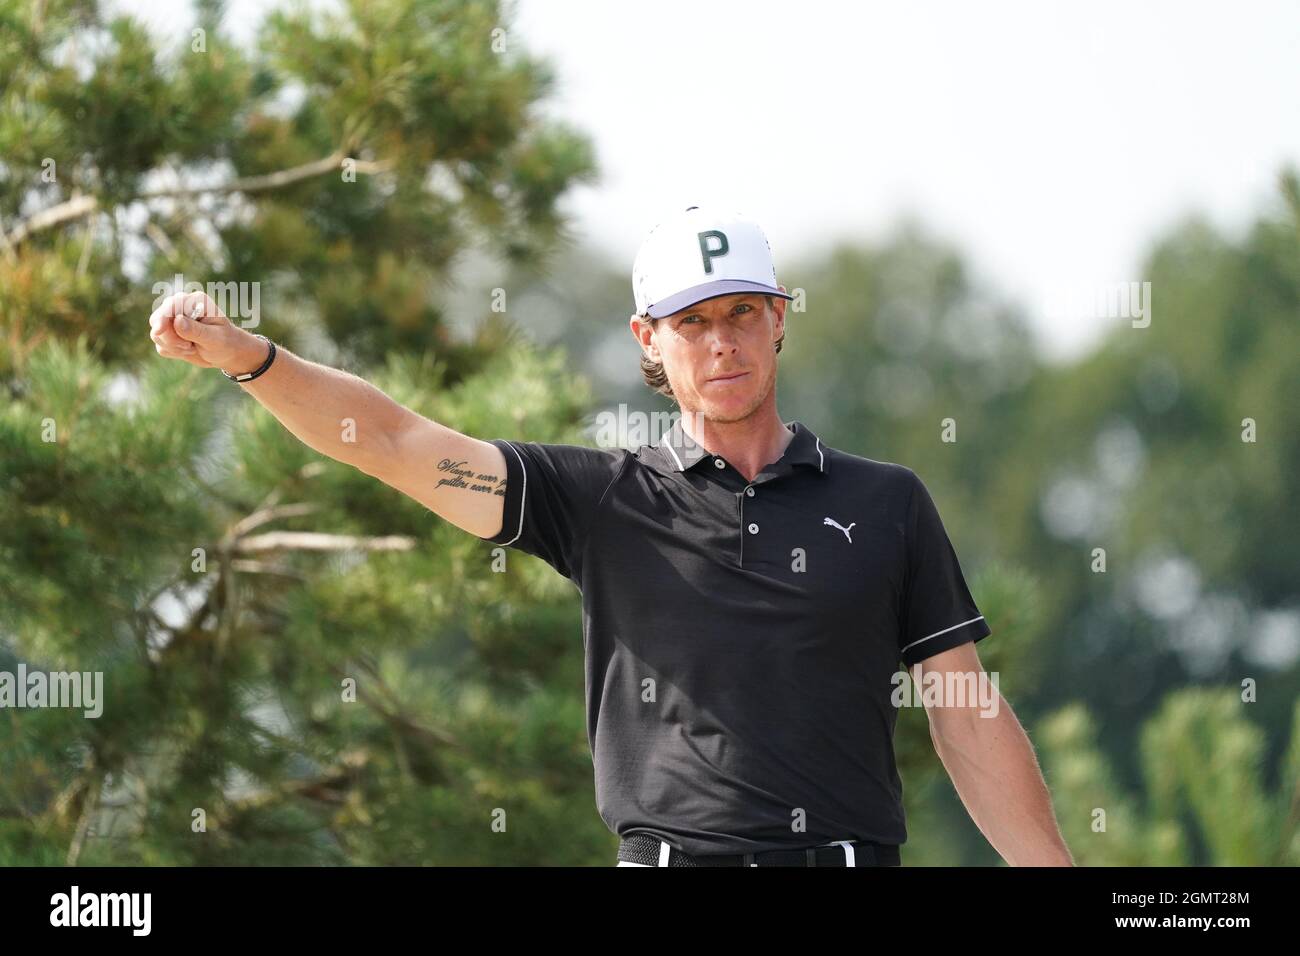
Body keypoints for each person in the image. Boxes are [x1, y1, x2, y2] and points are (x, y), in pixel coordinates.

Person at [147, 205, 1073, 867]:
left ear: (779, 316)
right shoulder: (599, 500)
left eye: (743, 313)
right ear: (648, 338)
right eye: (694, 323)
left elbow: (965, 713)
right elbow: (394, 441)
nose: (724, 345)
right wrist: (252, 361)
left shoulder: (887, 502)